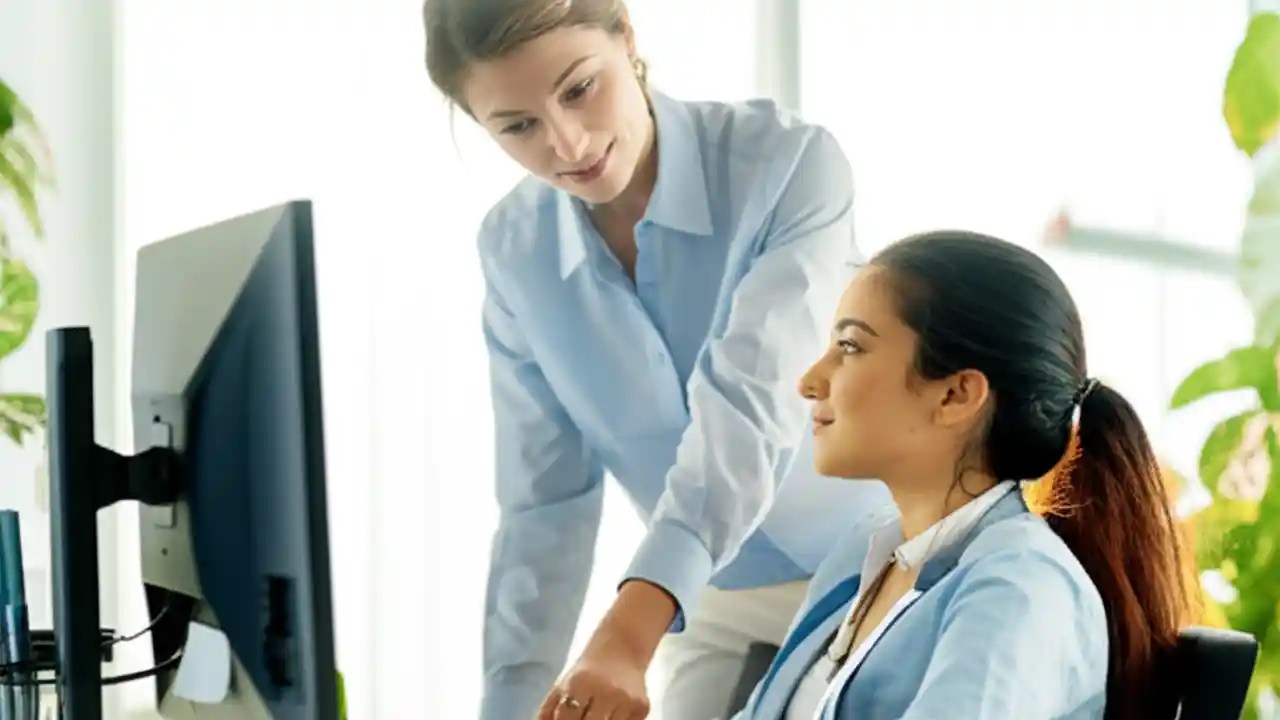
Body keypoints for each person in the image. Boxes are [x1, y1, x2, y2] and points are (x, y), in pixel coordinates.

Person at [420, 1, 891, 718]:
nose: (567, 142)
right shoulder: (514, 252)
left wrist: (625, 636)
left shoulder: (789, 165)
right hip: (717, 602)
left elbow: (749, 412)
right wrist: (510, 705)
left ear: (626, 36)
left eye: (580, 89)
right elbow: (544, 505)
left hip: (885, 565)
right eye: (517, 127)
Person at [735, 230, 1199, 719]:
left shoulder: (1019, 590)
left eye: (850, 346)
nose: (810, 381)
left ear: (956, 395)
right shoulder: (862, 554)